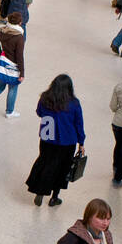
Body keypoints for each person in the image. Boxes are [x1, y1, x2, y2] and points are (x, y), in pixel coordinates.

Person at [26, 73, 86, 206]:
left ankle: (40, 191)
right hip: (67, 141)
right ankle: (55, 197)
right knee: (62, 168)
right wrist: (81, 142)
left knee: (45, 162)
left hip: (47, 138)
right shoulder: (73, 104)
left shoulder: (45, 98)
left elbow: (39, 112)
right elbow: (78, 124)